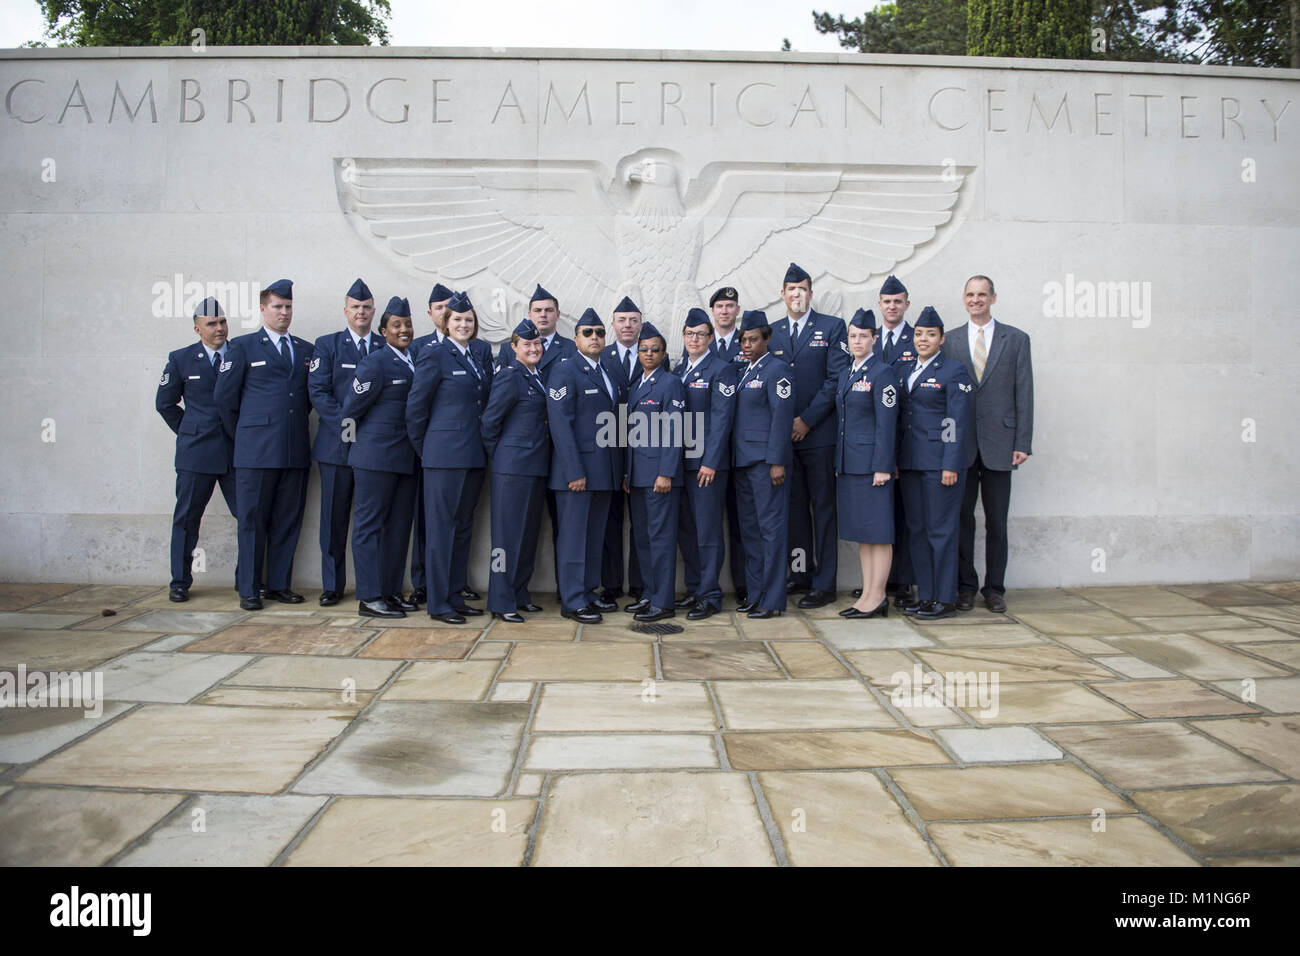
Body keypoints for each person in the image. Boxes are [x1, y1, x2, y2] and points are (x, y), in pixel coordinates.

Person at [214, 279, 315, 611]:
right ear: (262, 309)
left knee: (287, 520)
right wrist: (246, 436)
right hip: (255, 452)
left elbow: (305, 400)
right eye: (277, 307)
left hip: (293, 449)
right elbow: (225, 401)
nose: (283, 313)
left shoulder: (304, 349)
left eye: (287, 307)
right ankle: (249, 587)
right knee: (252, 521)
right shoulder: (242, 347)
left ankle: (278, 584)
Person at [942, 275, 1034, 614]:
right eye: (970, 295)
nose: (976, 300)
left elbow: (1024, 392)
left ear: (993, 298)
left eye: (982, 295)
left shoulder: (1016, 339)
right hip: (962, 446)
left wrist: (1022, 440)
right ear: (963, 299)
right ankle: (965, 586)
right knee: (962, 518)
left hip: (1001, 443)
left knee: (997, 520)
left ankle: (994, 588)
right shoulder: (949, 341)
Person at [407, 291, 493, 624]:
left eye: (468, 320)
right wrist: (427, 450)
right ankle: (438, 602)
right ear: (446, 322)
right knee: (441, 530)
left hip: (472, 455)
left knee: (462, 529)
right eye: (457, 319)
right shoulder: (435, 355)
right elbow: (416, 408)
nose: (463, 324)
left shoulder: (474, 355)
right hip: (443, 457)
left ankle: (455, 595)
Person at [769, 262, 848, 609]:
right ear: (783, 295)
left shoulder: (831, 328)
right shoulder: (771, 332)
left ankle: (825, 583)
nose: (796, 294)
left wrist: (806, 420)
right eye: (791, 289)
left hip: (818, 436)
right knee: (795, 510)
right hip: (784, 439)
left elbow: (836, 380)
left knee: (824, 510)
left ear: (810, 294)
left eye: (802, 289)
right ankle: (800, 573)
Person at [340, 296, 419, 619]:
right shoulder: (375, 363)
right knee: (369, 527)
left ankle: (389, 590)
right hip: (375, 458)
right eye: (397, 326)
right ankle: (370, 596)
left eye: (408, 325)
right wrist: (353, 455)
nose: (404, 330)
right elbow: (349, 413)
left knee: (398, 529)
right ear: (383, 331)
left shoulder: (413, 359)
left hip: (405, 458)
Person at [155, 296, 239, 602]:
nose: (219, 329)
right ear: (197, 328)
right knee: (187, 518)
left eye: (222, 322)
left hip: (234, 452)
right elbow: (164, 404)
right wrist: (190, 430)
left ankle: (246, 581)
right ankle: (179, 581)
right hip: (196, 453)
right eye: (212, 324)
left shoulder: (240, 353)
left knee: (249, 517)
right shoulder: (181, 359)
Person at [308, 278, 385, 607]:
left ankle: (375, 586)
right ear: (345, 311)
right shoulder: (327, 345)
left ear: (373, 311)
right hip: (336, 446)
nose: (361, 312)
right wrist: (347, 422)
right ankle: (332, 584)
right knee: (334, 519)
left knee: (373, 520)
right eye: (355, 307)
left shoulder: (385, 347)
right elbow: (318, 391)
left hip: (373, 447)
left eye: (367, 307)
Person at [546, 308, 624, 623]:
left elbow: (616, 424)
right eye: (588, 332)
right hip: (577, 474)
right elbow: (560, 424)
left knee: (594, 538)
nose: (595, 337)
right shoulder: (566, 370)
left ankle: (588, 592)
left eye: (600, 332)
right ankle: (573, 600)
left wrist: (619, 472)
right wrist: (573, 471)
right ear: (576, 337)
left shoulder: (608, 371)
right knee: (574, 538)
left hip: (604, 472)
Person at [897, 307, 972, 620]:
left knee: (941, 531)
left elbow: (955, 421)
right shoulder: (906, 370)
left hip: (940, 464)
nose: (922, 339)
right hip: (912, 463)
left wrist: (950, 463)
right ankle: (926, 595)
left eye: (930, 334)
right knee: (917, 530)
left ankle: (945, 598)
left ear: (941, 339)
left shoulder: (953, 371)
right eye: (918, 334)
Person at [480, 318, 551, 624]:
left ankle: (519, 593)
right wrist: (503, 458)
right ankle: (501, 599)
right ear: (514, 348)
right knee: (506, 538)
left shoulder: (537, 376)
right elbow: (489, 422)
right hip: (512, 470)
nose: (534, 348)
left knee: (527, 536)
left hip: (534, 467)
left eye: (537, 344)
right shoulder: (510, 376)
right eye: (527, 345)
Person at [835, 309, 900, 619]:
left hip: (873, 465)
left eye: (863, 336)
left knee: (879, 531)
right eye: (852, 336)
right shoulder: (848, 371)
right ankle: (868, 593)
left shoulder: (882, 372)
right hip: (851, 464)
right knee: (864, 532)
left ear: (875, 338)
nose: (857, 341)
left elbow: (886, 423)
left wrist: (883, 465)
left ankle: (878, 595)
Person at [674, 308, 738, 620]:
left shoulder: (721, 369)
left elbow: (721, 419)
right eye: (689, 334)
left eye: (700, 334)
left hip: (706, 466)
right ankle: (695, 588)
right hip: (681, 465)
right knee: (687, 530)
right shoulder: (678, 369)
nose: (694, 339)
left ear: (710, 338)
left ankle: (711, 594)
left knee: (707, 531)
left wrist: (710, 462)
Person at [731, 310, 794, 619]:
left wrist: (777, 461)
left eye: (753, 339)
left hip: (766, 464)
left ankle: (772, 599)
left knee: (771, 532)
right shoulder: (744, 371)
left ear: (767, 339)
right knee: (751, 533)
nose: (747, 344)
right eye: (743, 339)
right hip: (743, 462)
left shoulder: (777, 370)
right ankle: (756, 595)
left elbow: (782, 419)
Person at [622, 322, 686, 622]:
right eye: (644, 349)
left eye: (655, 350)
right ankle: (649, 593)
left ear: (663, 354)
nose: (649, 354)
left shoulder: (670, 384)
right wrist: (627, 473)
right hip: (638, 476)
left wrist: (666, 473)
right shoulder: (637, 385)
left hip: (659, 476)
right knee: (644, 539)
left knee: (660, 538)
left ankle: (663, 601)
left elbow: (675, 431)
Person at [871, 274, 919, 607]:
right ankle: (877, 584)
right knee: (878, 514)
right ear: (880, 305)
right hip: (873, 441)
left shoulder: (918, 338)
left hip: (908, 439)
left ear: (906, 304)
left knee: (905, 514)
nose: (892, 306)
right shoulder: (867, 339)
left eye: (897, 301)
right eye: (886, 301)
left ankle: (903, 582)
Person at [597, 295, 646, 606]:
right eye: (622, 320)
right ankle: (611, 584)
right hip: (610, 446)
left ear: (640, 324)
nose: (627, 325)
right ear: (612, 325)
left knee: (642, 521)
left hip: (643, 447)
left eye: (633, 320)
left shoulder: (653, 353)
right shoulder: (602, 356)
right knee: (609, 520)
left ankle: (641, 585)